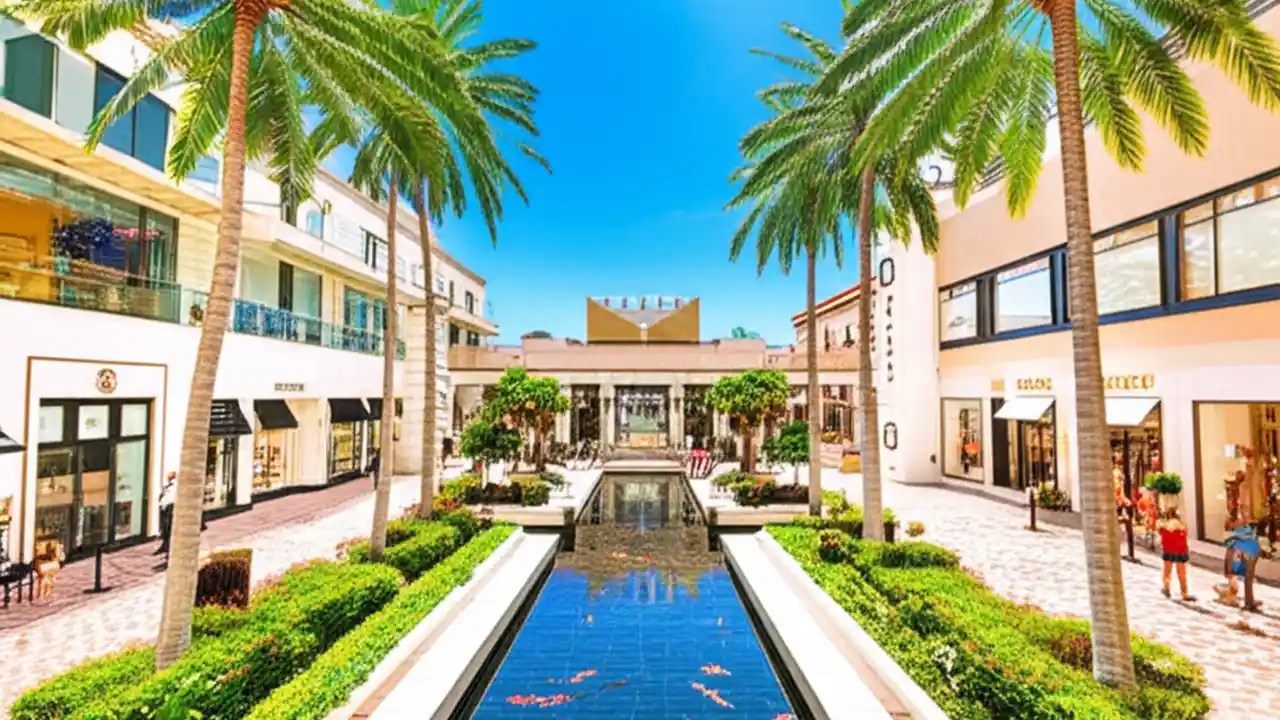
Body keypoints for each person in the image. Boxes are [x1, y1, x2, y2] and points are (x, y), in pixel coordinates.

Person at [1157, 508, 1194, 601]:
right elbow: (1185, 535)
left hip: (1168, 550)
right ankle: (1184, 593)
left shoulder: (1163, 525)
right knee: (1182, 574)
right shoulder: (1181, 525)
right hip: (1180, 551)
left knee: (1167, 571)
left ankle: (1166, 588)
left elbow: (1160, 532)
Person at [155, 472, 176, 555]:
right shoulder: (167, 487)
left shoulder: (174, 487)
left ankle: (167, 547)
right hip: (165, 508)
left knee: (168, 528)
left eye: (170, 478)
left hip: (169, 508)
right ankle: (165, 545)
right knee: (165, 528)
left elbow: (171, 498)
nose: (169, 480)